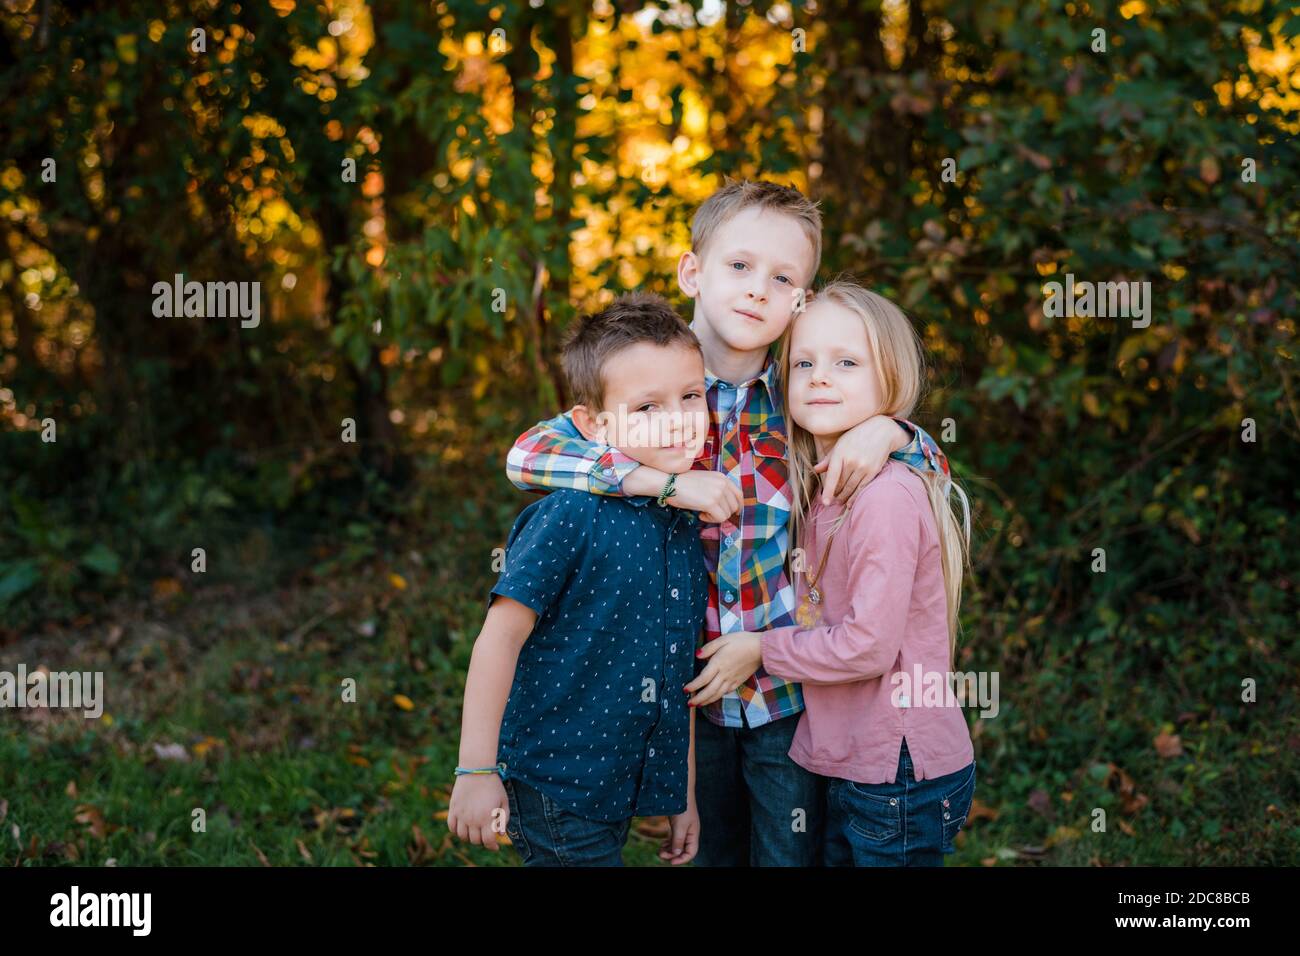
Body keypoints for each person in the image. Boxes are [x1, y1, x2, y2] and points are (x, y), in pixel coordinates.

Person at [506, 180, 950, 866]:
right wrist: (666, 481)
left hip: (787, 698)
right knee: (706, 851)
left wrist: (890, 432)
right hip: (687, 695)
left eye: (782, 278)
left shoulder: (799, 396)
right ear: (693, 271)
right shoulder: (652, 388)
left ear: (800, 299)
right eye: (739, 266)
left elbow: (931, 472)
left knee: (786, 853)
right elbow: (530, 453)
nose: (757, 291)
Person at [688, 280, 977, 866]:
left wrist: (762, 650)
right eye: (804, 362)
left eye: (847, 362)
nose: (820, 376)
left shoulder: (885, 496)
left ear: (890, 376)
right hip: (855, 760)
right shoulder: (822, 482)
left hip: (895, 773)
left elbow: (868, 648)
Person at [447, 293, 718, 866]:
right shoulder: (570, 515)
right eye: (647, 407)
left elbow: (677, 669)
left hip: (619, 781)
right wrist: (475, 767)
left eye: (691, 396)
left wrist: (682, 794)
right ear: (594, 424)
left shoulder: (683, 523)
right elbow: (499, 638)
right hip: (556, 779)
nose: (678, 420)